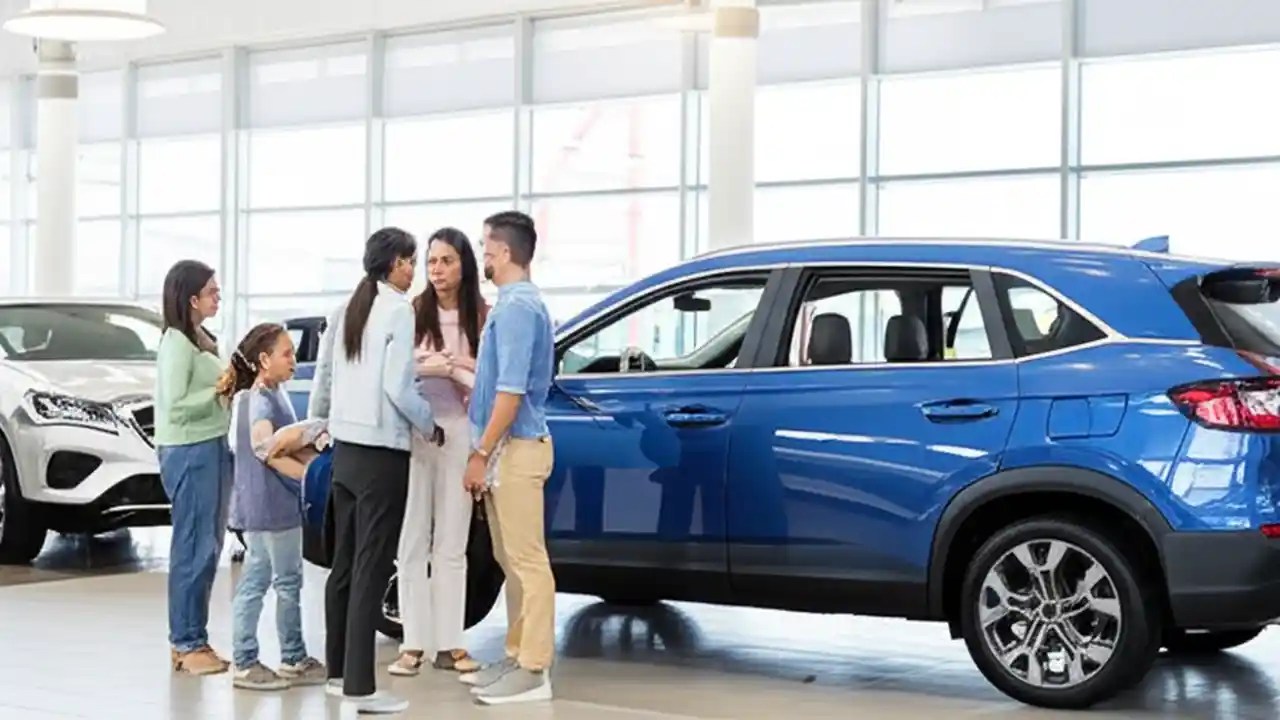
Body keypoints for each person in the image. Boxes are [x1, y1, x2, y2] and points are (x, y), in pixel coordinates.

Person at [308, 227, 442, 715]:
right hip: (382, 455)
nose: (414, 270)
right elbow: (399, 387)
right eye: (410, 261)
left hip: (345, 451)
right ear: (393, 265)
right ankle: (362, 689)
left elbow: (323, 379)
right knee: (370, 566)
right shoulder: (397, 310)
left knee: (343, 565)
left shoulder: (346, 309)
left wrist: (322, 426)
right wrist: (429, 425)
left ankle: (338, 674)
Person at [459, 211, 557, 706]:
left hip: (514, 449)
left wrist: (479, 453)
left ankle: (534, 669)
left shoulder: (519, 308)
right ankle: (518, 655)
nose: (482, 257)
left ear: (502, 252)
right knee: (507, 557)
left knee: (526, 560)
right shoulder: (513, 305)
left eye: (485, 248)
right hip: (507, 450)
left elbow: (511, 393)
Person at [389, 228, 487, 677]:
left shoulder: (481, 316)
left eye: (446, 261)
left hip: (459, 432)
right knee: (412, 539)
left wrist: (457, 367)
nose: (437, 270)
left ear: (463, 263)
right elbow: (401, 369)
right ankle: (413, 643)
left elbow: (487, 379)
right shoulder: (412, 312)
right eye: (431, 262)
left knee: (452, 541)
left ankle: (450, 643)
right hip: (414, 433)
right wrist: (442, 366)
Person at [218, 323, 327, 691]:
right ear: (264, 360)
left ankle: (289, 655)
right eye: (287, 353)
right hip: (269, 510)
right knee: (274, 582)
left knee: (273, 580)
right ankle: (255, 660)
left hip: (272, 507)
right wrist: (307, 477)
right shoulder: (259, 399)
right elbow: (266, 448)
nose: (293, 360)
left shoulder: (269, 393)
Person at [155, 260, 233, 676]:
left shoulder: (202, 339)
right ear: (191, 299)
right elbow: (175, 404)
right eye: (212, 292)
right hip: (188, 450)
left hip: (212, 445)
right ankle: (185, 641)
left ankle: (194, 637)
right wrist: (217, 390)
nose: (218, 297)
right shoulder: (176, 344)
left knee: (209, 546)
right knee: (192, 546)